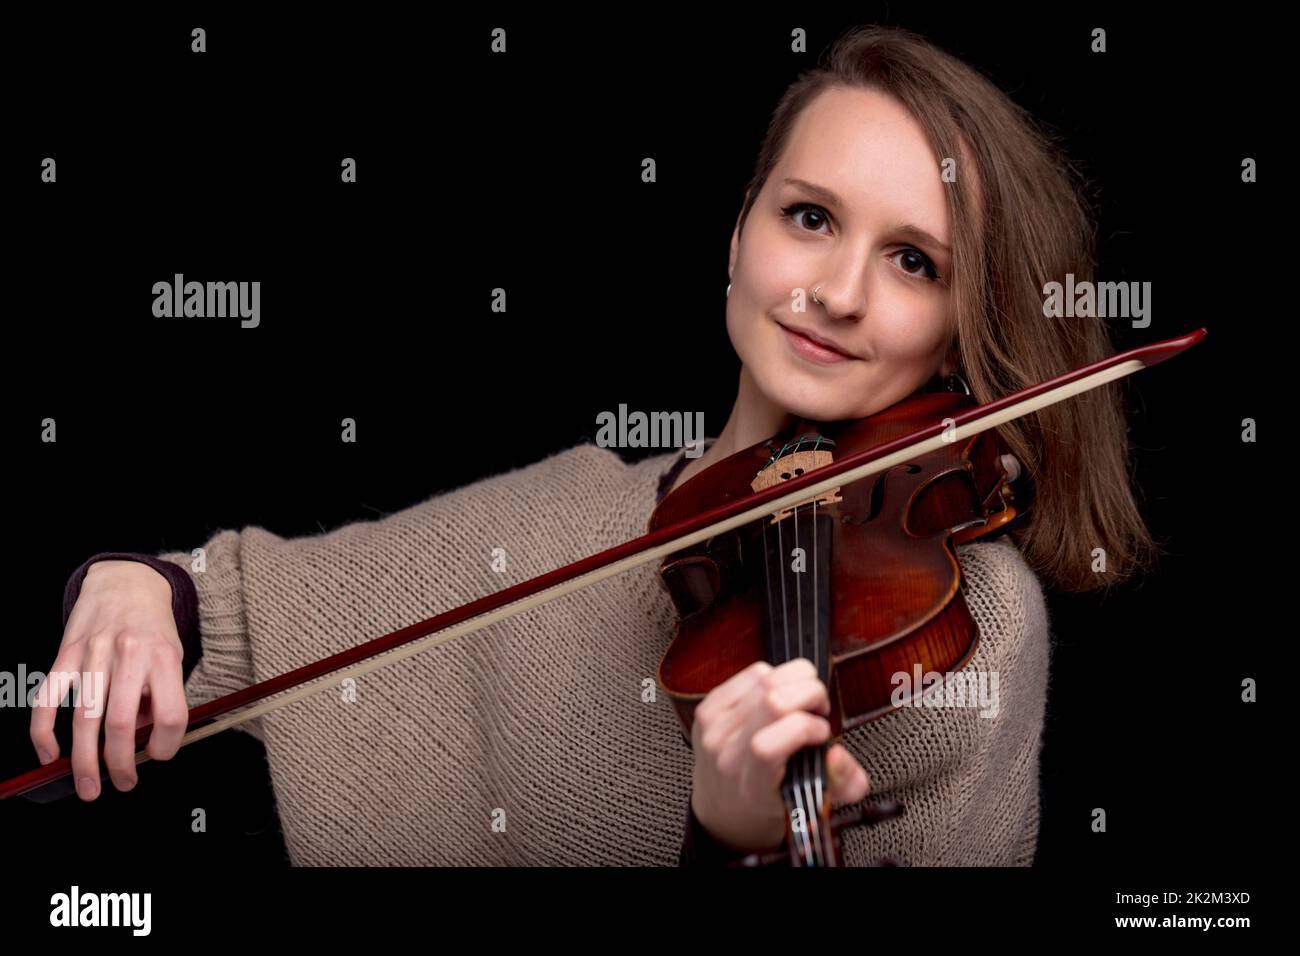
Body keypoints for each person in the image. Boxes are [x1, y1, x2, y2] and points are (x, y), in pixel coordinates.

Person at [30, 24, 1158, 865]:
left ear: (966, 326)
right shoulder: (566, 514)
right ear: (739, 230)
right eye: (808, 216)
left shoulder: (968, 621)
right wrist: (142, 584)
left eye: (914, 260)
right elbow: (244, 613)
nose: (836, 292)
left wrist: (731, 842)